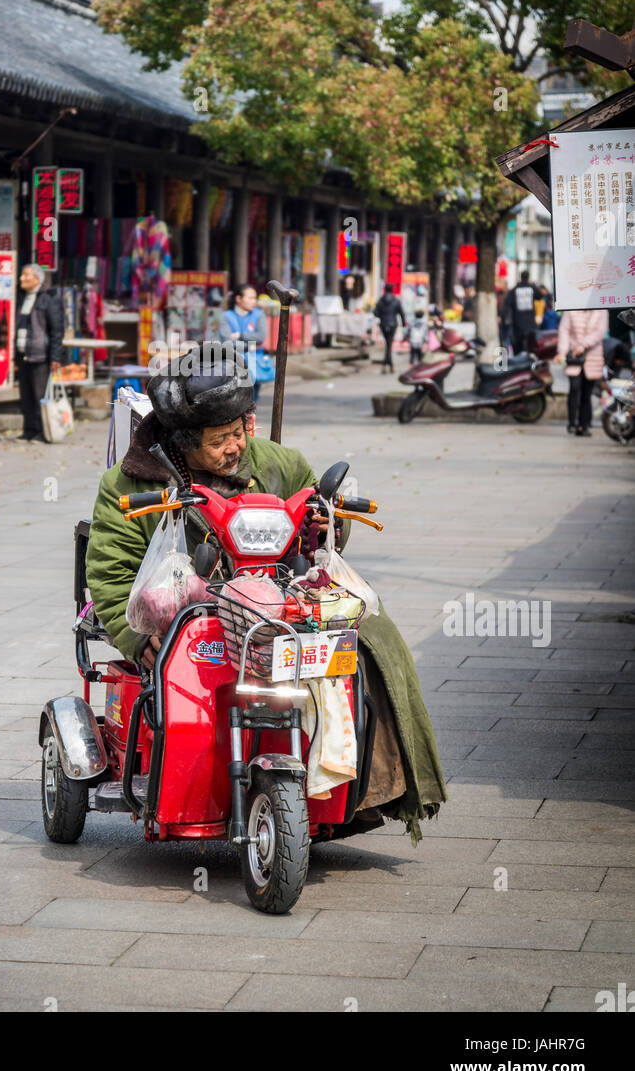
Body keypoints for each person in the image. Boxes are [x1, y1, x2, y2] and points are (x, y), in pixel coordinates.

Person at [85, 343, 447, 843]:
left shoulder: (278, 463)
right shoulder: (126, 484)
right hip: (193, 620)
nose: (235, 447)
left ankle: (362, 790)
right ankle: (186, 795)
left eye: (239, 432)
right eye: (219, 440)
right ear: (183, 440)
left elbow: (317, 527)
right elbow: (110, 574)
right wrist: (139, 640)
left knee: (369, 638)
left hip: (278, 607)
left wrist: (325, 525)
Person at [15, 264, 65, 441]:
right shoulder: (23, 298)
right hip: (23, 355)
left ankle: (41, 432)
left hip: (40, 356)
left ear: (36, 279)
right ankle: (29, 430)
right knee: (26, 396)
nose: (21, 279)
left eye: (25, 275)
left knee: (39, 396)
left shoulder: (48, 299)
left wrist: (55, 357)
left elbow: (57, 330)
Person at [557, 308, 608, 437]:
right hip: (573, 357)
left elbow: (600, 332)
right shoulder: (570, 308)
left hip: (592, 357)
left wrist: (583, 345)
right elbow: (564, 330)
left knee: (587, 393)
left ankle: (583, 425)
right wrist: (562, 351)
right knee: (574, 389)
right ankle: (572, 423)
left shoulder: (601, 310)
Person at [218, 283, 267, 404]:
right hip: (232, 365)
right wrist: (250, 346)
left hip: (254, 364)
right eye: (250, 298)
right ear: (238, 299)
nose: (253, 301)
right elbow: (227, 343)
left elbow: (261, 337)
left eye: (255, 298)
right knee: (233, 401)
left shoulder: (259, 315)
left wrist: (240, 336)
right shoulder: (226, 316)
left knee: (251, 402)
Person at [501, 271, 538, 355]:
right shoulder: (531, 288)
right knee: (530, 346)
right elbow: (540, 295)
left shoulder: (515, 289)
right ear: (528, 277)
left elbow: (508, 303)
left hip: (518, 322)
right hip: (530, 322)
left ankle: (518, 358)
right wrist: (532, 285)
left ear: (521, 277)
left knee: (518, 345)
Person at [373, 282, 405, 373]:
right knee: (389, 343)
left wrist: (382, 316)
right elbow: (401, 313)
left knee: (387, 343)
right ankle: (389, 363)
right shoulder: (396, 301)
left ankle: (386, 363)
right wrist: (403, 324)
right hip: (393, 324)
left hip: (383, 324)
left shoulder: (380, 300)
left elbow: (375, 313)